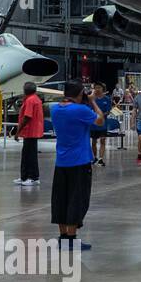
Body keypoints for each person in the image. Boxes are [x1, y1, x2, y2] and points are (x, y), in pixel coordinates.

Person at [50, 81, 103, 251]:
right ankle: (72, 239)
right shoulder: (81, 110)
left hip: (61, 161)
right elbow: (100, 121)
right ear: (81, 94)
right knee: (76, 199)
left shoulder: (55, 109)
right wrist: (93, 101)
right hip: (79, 161)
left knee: (61, 199)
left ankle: (63, 237)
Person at [15, 81, 44, 187]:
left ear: (25, 90)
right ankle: (24, 176)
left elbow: (27, 117)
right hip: (32, 131)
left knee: (30, 155)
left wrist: (18, 131)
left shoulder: (30, 100)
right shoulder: (34, 98)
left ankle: (33, 177)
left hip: (30, 131)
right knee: (27, 154)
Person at [89, 82, 113, 166]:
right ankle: (94, 158)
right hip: (93, 124)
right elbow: (89, 110)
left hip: (103, 123)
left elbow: (108, 111)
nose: (97, 89)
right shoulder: (91, 99)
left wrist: (101, 116)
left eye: (99, 87)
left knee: (103, 140)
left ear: (103, 89)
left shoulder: (107, 99)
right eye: (96, 87)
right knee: (94, 142)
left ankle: (101, 159)